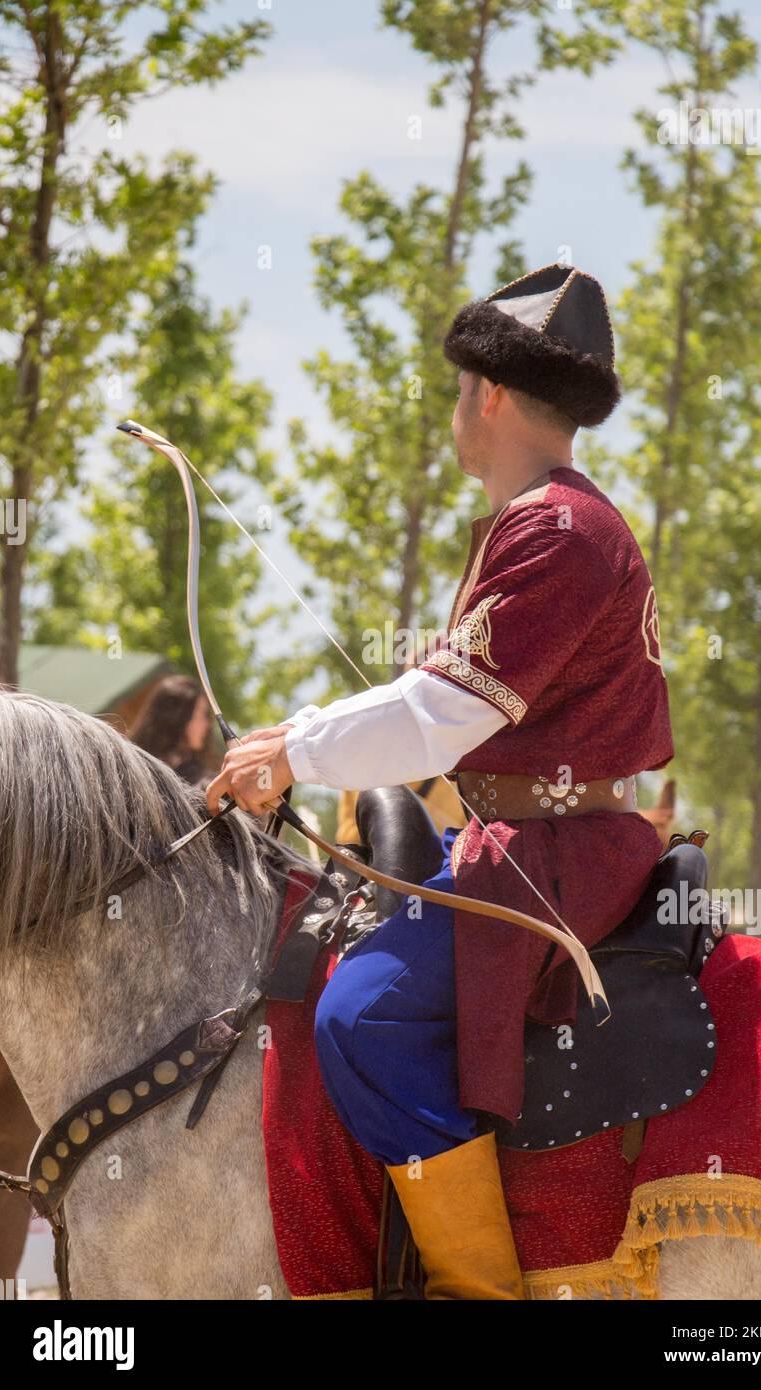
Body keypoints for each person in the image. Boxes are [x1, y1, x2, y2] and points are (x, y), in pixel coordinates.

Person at [207, 264, 674, 1300]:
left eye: (459, 388)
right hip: (528, 842)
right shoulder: (546, 520)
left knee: (359, 1015)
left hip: (556, 855)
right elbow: (431, 698)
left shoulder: (557, 529)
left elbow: (435, 717)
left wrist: (292, 753)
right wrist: (303, 733)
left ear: (490, 395)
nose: (455, 409)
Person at [130, 674, 212, 786]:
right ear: (180, 716)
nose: (207, 724)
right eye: (203, 714)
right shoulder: (132, 771)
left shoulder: (199, 780)